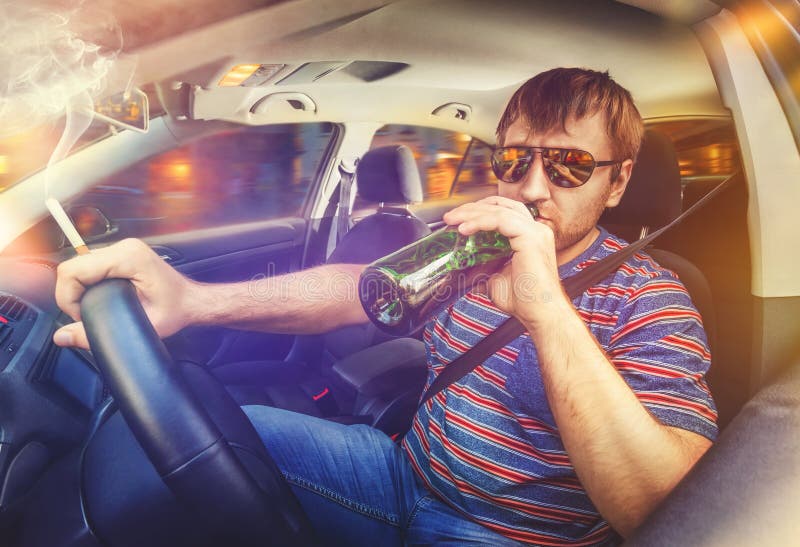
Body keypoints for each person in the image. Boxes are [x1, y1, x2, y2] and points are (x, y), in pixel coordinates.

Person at [53, 68, 717, 546]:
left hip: (510, 535)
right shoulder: (474, 247)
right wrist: (192, 299)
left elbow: (658, 507)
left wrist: (545, 308)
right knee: (219, 437)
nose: (534, 188)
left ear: (617, 180)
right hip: (399, 473)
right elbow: (354, 288)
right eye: (516, 160)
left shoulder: (651, 299)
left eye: (570, 165)